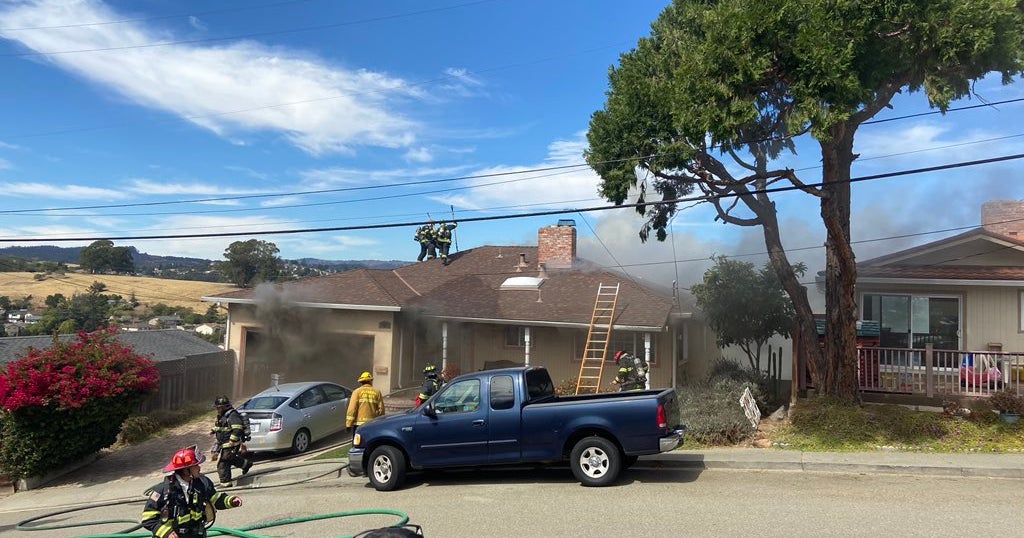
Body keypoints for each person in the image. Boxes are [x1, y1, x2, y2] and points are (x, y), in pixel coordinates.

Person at [141, 445, 242, 538]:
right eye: (196, 466)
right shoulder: (163, 490)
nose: (199, 467)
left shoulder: (203, 483)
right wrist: (166, 532)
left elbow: (215, 498)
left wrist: (231, 501)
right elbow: (148, 519)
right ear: (186, 470)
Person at [210, 395, 253, 487]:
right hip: (225, 443)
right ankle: (246, 464)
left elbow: (237, 428)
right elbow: (223, 426)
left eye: (218, 408)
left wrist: (232, 440)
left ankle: (226, 483)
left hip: (231, 444)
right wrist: (214, 429)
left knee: (223, 463)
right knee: (230, 459)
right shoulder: (223, 415)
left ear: (224, 407)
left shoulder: (233, 415)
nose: (217, 409)